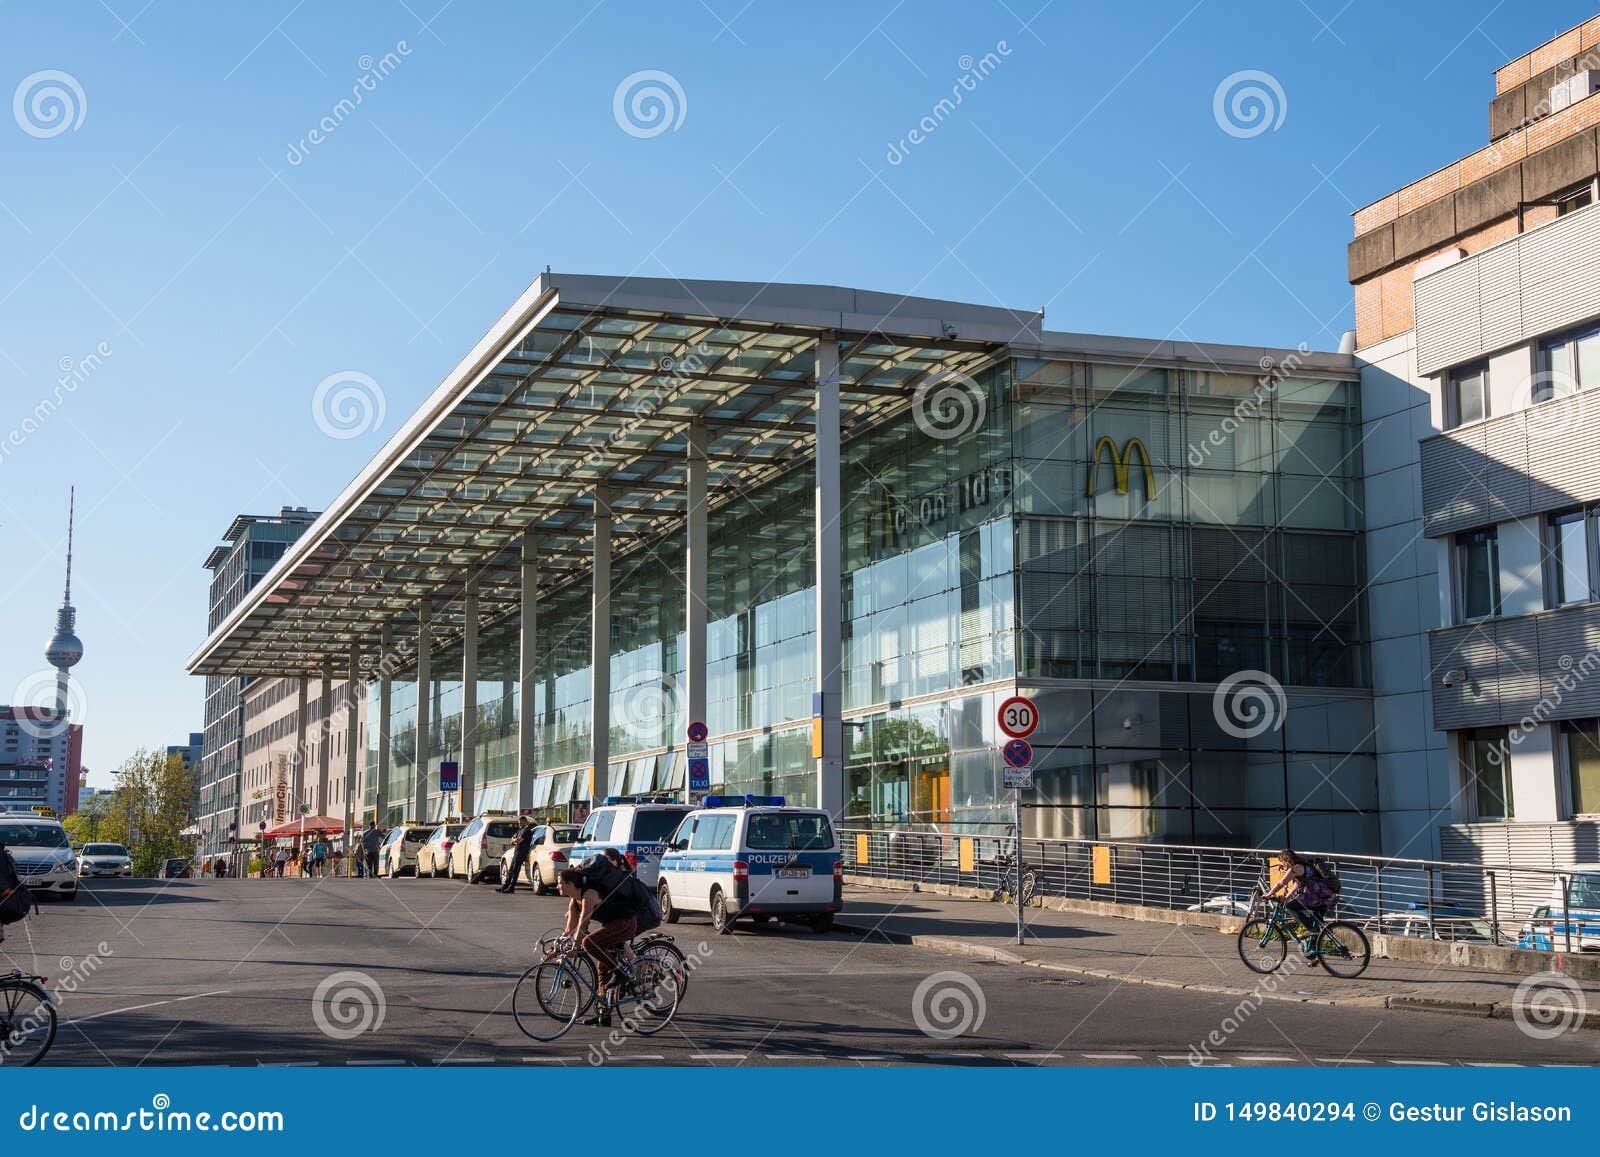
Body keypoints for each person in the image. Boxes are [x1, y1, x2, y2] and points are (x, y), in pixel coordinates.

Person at [555, 855, 639, 1026]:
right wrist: (558, 946)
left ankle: (621, 972)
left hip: (626, 922)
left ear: (570, 884)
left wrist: (576, 946)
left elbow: (583, 923)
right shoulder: (574, 901)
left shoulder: (589, 894)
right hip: (613, 923)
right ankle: (604, 1013)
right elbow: (570, 928)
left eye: (560, 883)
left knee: (588, 943)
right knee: (602, 967)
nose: (557, 886)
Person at [1263, 848, 1336, 941]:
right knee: (1316, 923)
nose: (1283, 865)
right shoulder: (1302, 866)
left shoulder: (1295, 868)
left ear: (1287, 860)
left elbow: (1281, 883)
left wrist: (1269, 894)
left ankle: (1311, 929)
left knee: (1291, 906)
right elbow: (1298, 884)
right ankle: (1313, 949)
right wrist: (1286, 897)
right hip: (1324, 895)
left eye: (1282, 862)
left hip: (1318, 897)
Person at [497, 816, 535, 893]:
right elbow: (512, 840)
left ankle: (511, 887)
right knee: (511, 870)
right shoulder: (520, 830)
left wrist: (515, 840)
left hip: (522, 852)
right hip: (517, 851)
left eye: (522, 822)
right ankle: (505, 886)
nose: (520, 823)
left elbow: (519, 841)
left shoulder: (527, 831)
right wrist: (515, 840)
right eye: (519, 822)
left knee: (515, 870)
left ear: (526, 822)